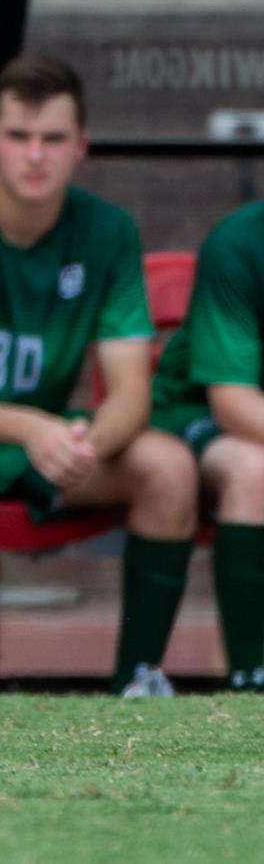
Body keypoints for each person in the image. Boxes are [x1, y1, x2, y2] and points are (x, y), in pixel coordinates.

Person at [0, 53, 195, 698]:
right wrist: (33, 428)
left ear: (81, 146)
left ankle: (136, 680)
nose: (35, 156)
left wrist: (90, 443)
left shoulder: (109, 231)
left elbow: (131, 390)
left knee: (168, 465)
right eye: (20, 137)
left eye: (53, 138)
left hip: (48, 443)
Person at [150, 201, 264, 690]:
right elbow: (234, 402)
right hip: (199, 414)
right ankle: (251, 677)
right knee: (255, 469)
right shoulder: (240, 242)